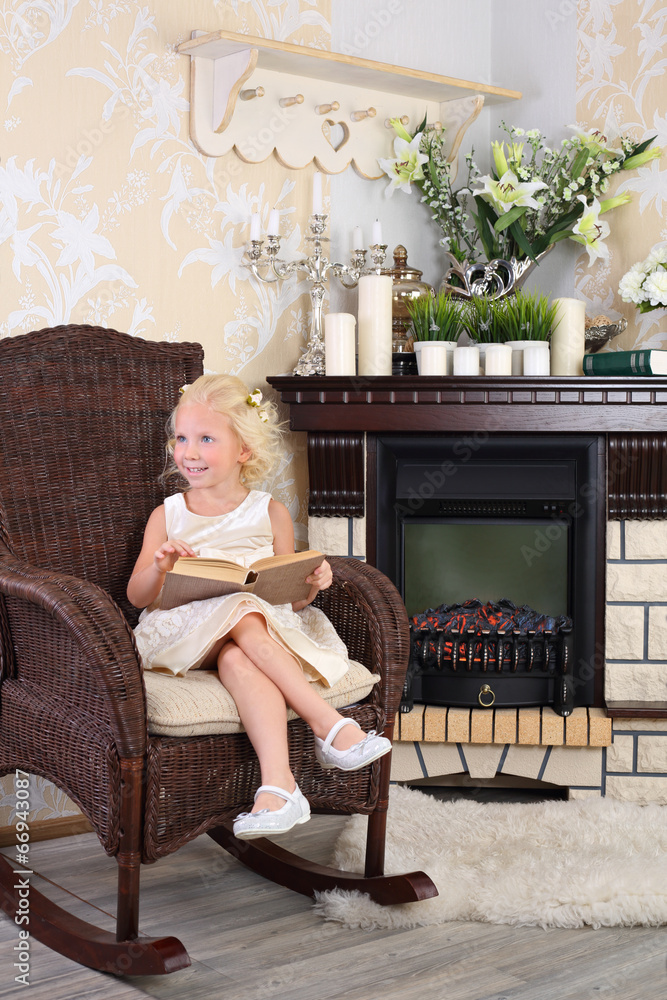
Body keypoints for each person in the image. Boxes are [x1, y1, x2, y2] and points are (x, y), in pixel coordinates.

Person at [127, 374, 391, 840]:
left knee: (239, 651)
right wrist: (161, 566)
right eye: (182, 438)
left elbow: (289, 598)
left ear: (244, 450)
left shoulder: (269, 512)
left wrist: (313, 583)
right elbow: (137, 596)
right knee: (243, 609)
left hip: (249, 637)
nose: (189, 452)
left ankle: (279, 787)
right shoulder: (167, 515)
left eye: (206, 439)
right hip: (182, 637)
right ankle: (328, 724)